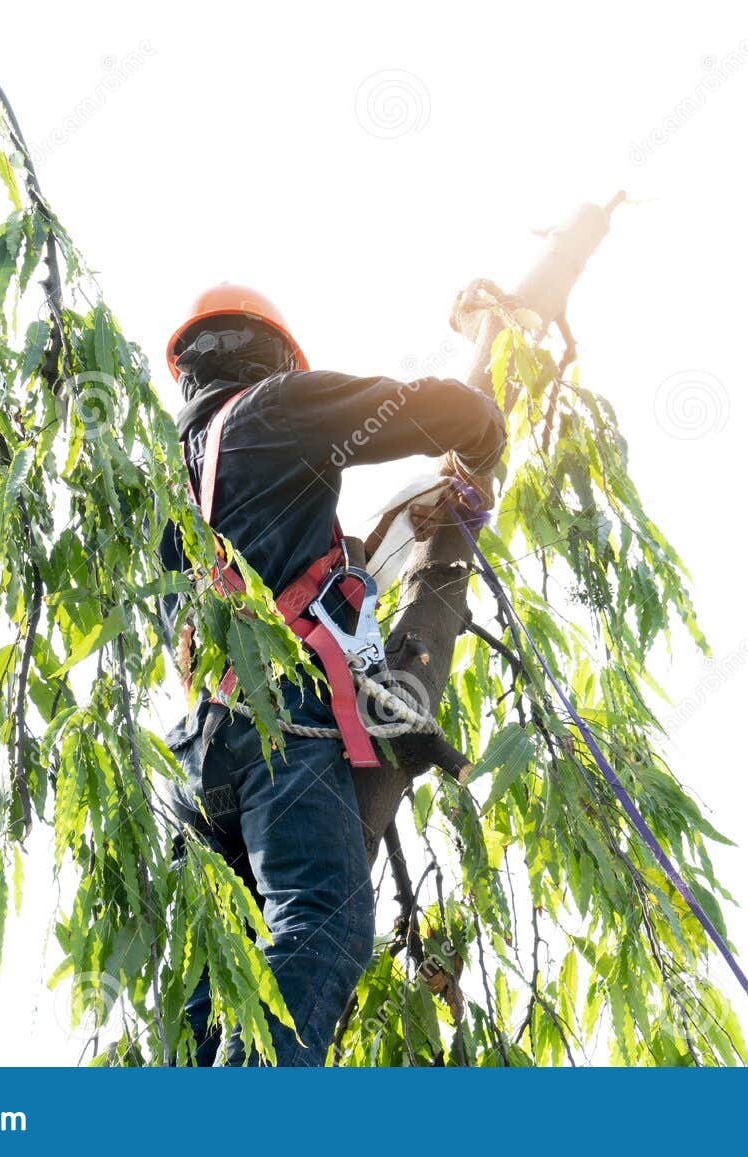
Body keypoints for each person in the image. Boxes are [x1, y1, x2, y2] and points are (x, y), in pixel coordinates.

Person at [158, 284, 503, 1065]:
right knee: (325, 923)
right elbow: (418, 408)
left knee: (219, 976)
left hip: (199, 755)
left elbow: (271, 573)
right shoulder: (272, 409)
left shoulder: (168, 481)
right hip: (277, 728)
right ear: (277, 356)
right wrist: (483, 434)